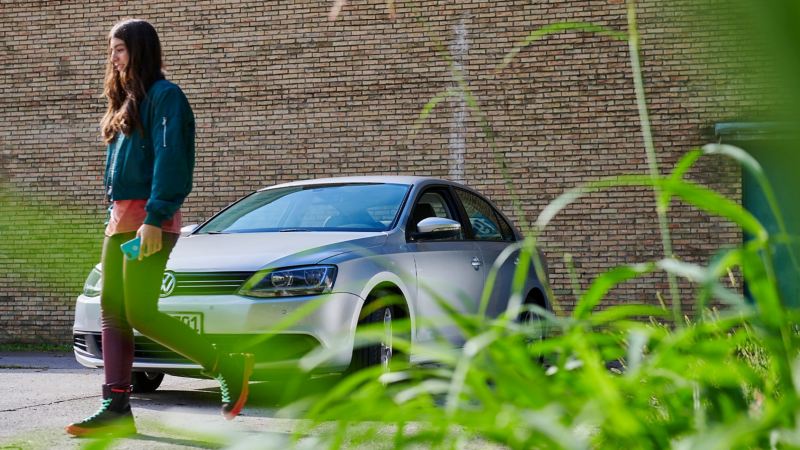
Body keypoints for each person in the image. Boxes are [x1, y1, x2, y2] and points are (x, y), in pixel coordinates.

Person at [66, 18, 253, 437]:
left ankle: (227, 364)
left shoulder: (166, 97)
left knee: (142, 313)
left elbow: (172, 162)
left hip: (150, 220)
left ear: (139, 49)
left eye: (119, 49)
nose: (112, 57)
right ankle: (115, 407)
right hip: (119, 221)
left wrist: (154, 218)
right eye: (111, 49)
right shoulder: (124, 101)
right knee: (112, 315)